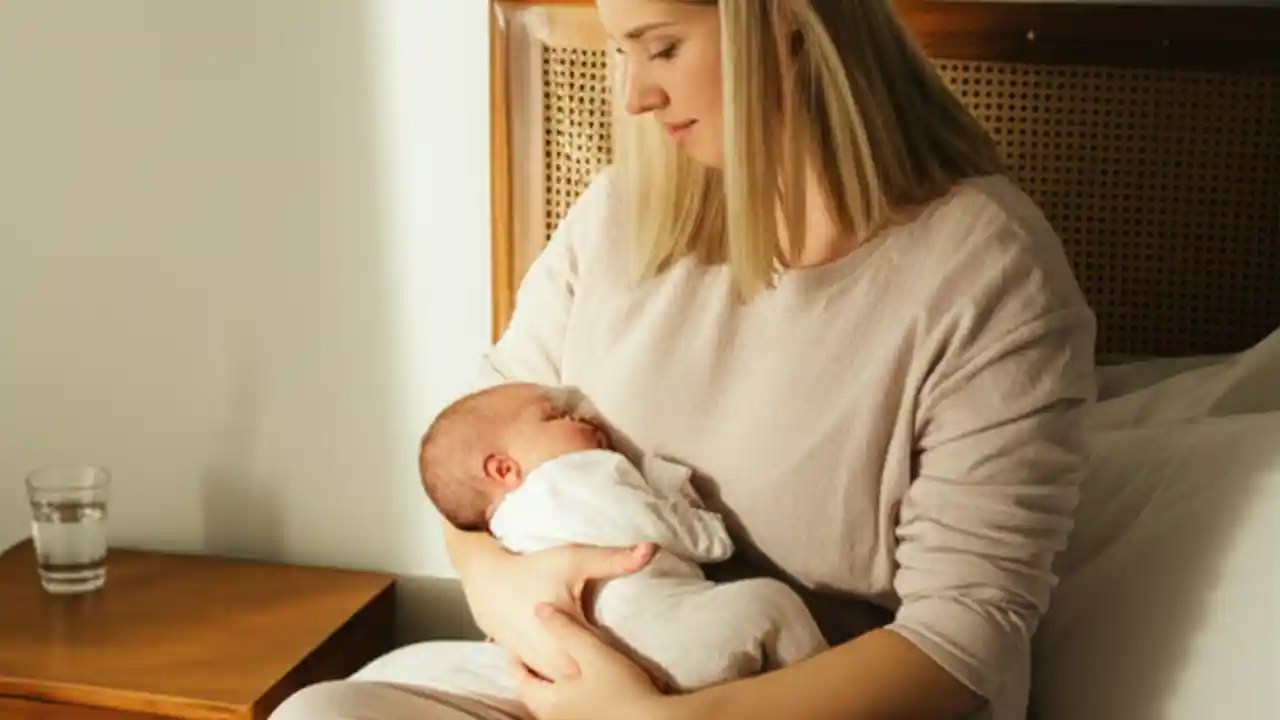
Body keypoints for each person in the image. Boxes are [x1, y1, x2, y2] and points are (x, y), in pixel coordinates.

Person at [270, 1, 1096, 719]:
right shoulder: (618, 218)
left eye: (662, 47)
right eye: (621, 52)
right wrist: (509, 592)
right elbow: (472, 473)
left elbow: (964, 640)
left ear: (786, 23)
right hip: (576, 675)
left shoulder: (987, 273)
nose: (636, 95)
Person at [418, 381, 829, 693]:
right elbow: (646, 523)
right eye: (555, 416)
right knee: (773, 604)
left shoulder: (509, 528)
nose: (580, 418)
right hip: (663, 641)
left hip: (592, 667)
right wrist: (707, 531)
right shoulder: (570, 478)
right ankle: (827, 697)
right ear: (504, 469)